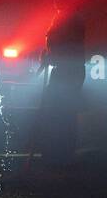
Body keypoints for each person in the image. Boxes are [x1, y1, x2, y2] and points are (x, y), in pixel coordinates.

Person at [35, 9, 86, 167]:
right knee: (61, 113)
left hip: (68, 72)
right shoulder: (63, 20)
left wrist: (50, 58)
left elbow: (66, 50)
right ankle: (58, 153)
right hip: (67, 71)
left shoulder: (70, 21)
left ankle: (59, 155)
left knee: (60, 113)